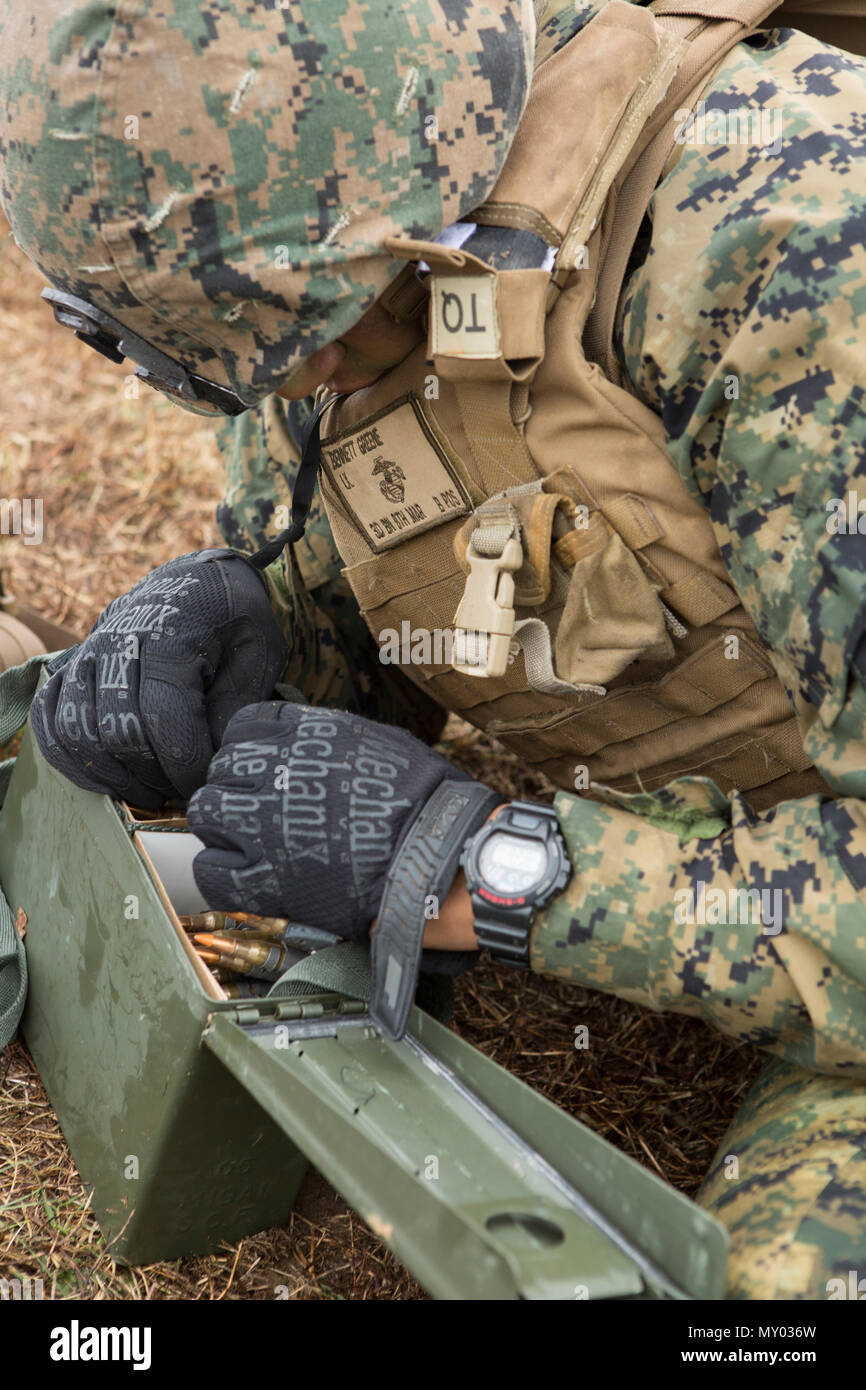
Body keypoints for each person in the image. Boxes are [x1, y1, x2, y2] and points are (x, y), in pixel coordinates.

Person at [2, 0, 866, 1299]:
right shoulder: (361, 225)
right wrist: (238, 638)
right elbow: (397, 545)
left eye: (315, 335)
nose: (305, 386)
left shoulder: (796, 253)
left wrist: (486, 872)